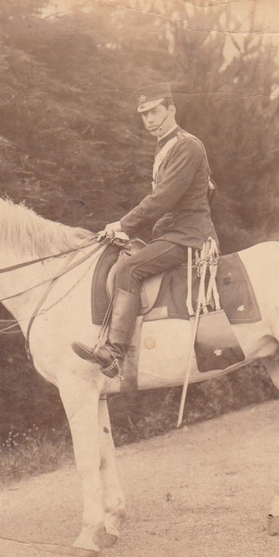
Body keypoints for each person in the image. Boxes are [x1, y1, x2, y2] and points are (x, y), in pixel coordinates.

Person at [72, 83, 218, 378]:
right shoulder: (166, 145)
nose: (149, 120)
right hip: (172, 232)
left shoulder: (187, 145)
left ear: (171, 110)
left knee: (128, 270)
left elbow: (164, 197)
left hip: (188, 236)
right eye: (144, 115)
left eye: (155, 112)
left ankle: (114, 355)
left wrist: (123, 225)